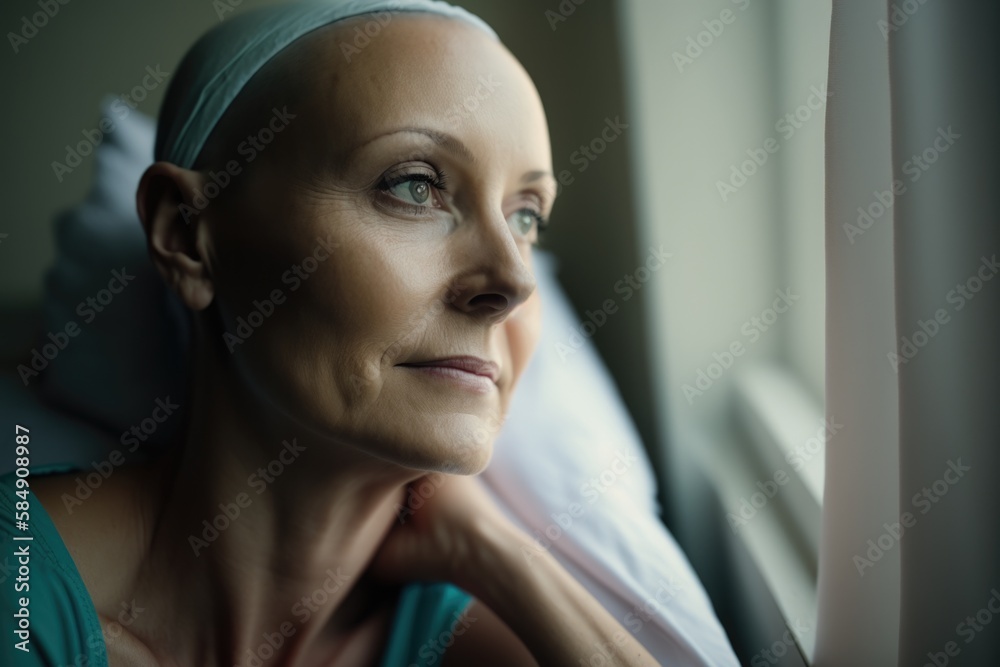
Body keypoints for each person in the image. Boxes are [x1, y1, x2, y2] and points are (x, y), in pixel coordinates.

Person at [1, 1, 662, 665]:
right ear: (188, 237)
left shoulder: (467, 640)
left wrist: (499, 552)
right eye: (413, 185)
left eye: (526, 217)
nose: (514, 281)